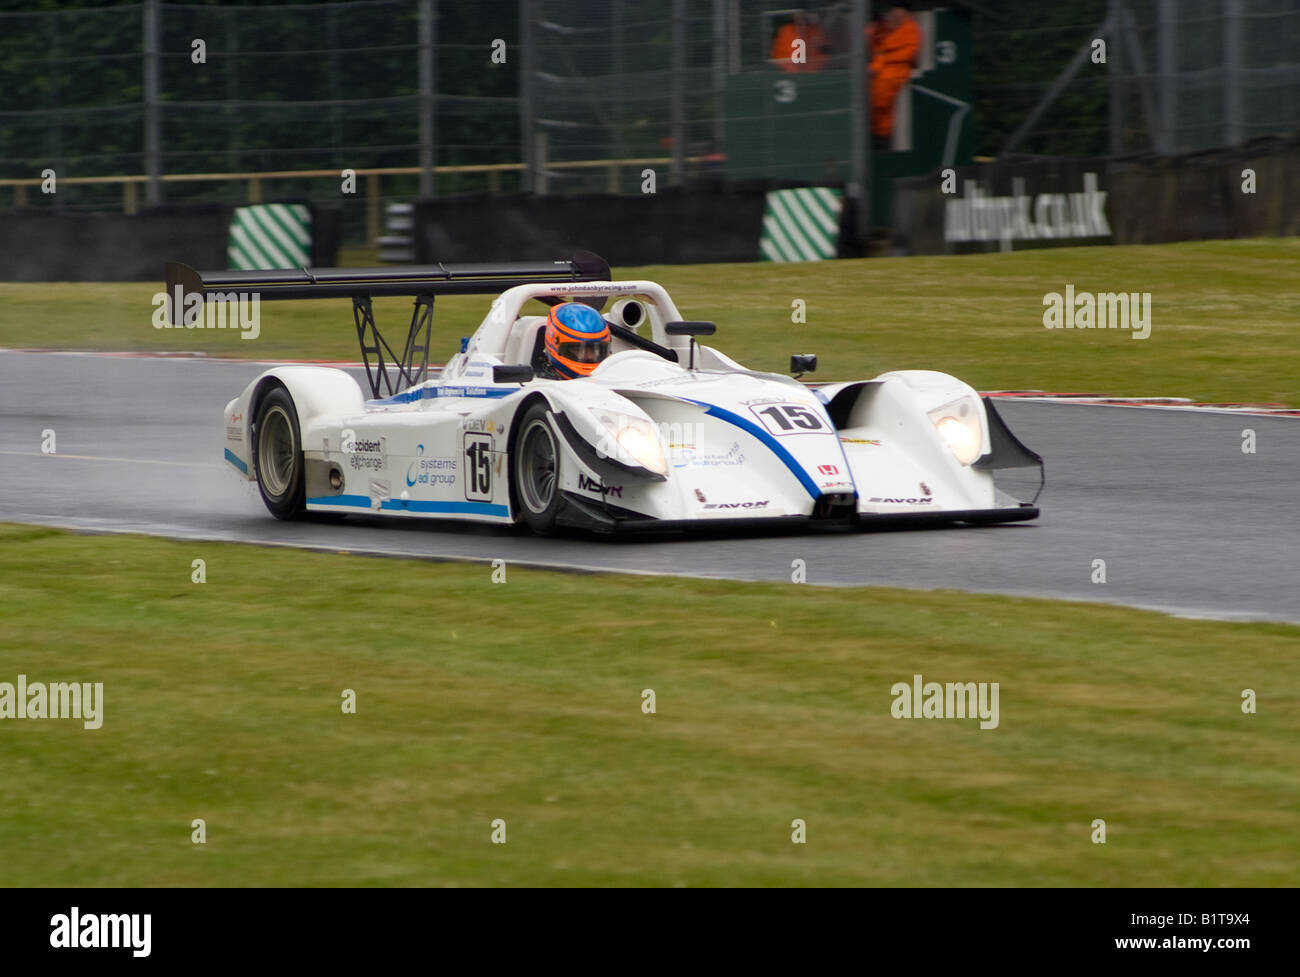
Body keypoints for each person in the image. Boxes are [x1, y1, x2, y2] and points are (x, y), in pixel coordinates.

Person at [869, 2, 920, 145]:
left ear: (905, 13)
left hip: (897, 70)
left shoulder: (910, 28)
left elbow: (908, 53)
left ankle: (882, 134)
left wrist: (885, 59)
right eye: (894, 11)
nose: (895, 14)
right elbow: (878, 50)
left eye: (898, 11)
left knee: (882, 95)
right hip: (882, 69)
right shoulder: (888, 28)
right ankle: (877, 132)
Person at [539, 301, 611, 379]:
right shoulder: (535, 385)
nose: (589, 356)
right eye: (578, 349)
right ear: (554, 344)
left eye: (596, 349)